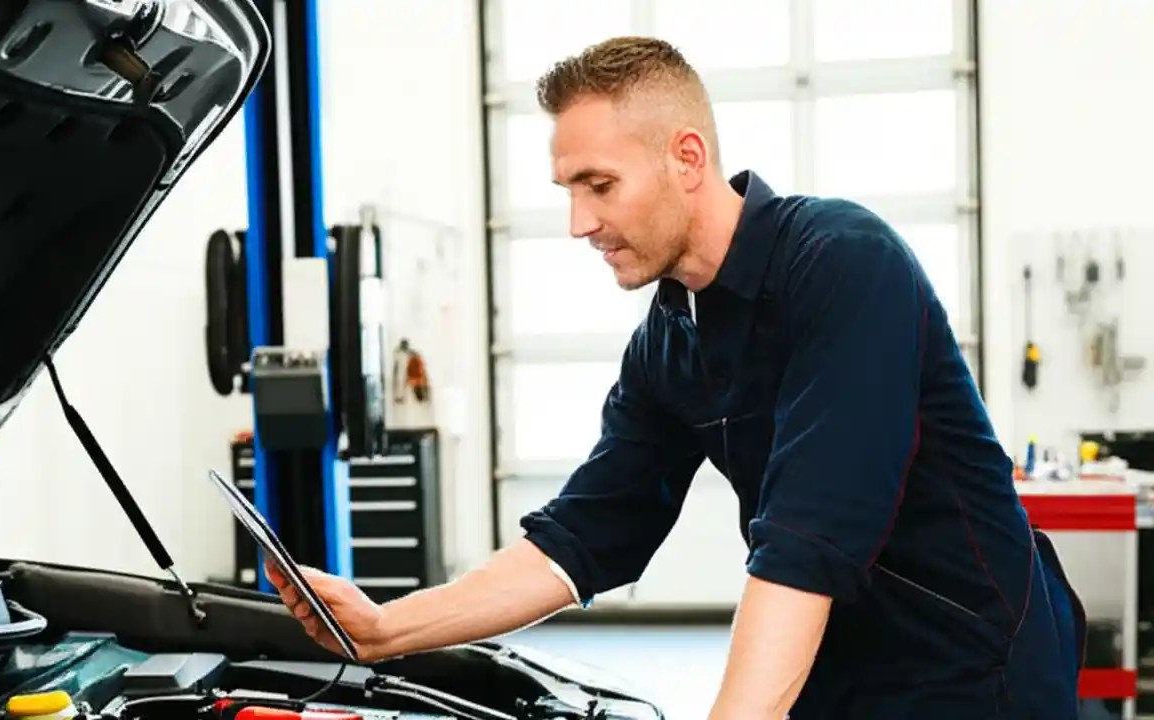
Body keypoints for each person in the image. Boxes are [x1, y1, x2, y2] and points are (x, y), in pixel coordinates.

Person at [266, 37, 1086, 719]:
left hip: (975, 670)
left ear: (686, 158)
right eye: (568, 191)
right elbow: (581, 539)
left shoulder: (843, 264)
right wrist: (384, 627)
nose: (579, 223)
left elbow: (807, 544)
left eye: (600, 185)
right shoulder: (668, 339)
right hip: (838, 667)